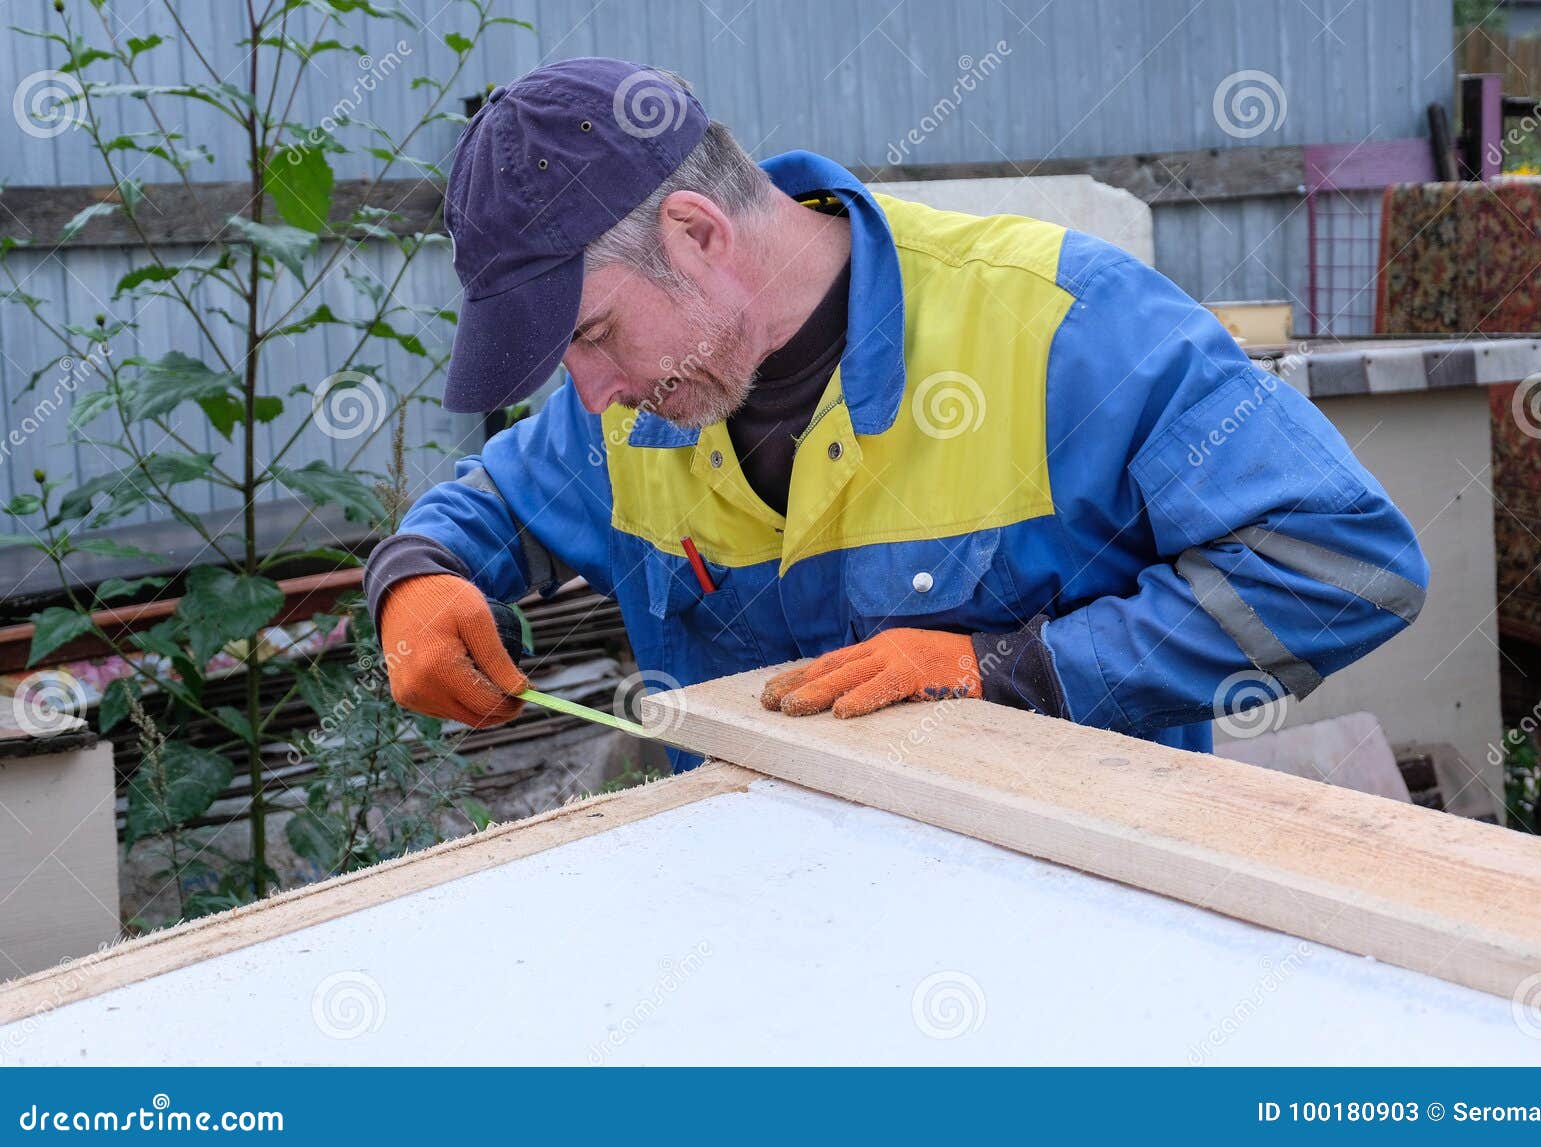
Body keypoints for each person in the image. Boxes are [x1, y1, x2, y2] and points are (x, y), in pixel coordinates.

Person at [366, 57, 1428, 770]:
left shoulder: (1064, 326)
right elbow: (493, 504)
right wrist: (414, 575)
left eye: (591, 335)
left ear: (695, 234)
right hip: (766, 943)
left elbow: (1345, 568)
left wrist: (1010, 670)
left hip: (1069, 942)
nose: (585, 393)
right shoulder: (629, 403)